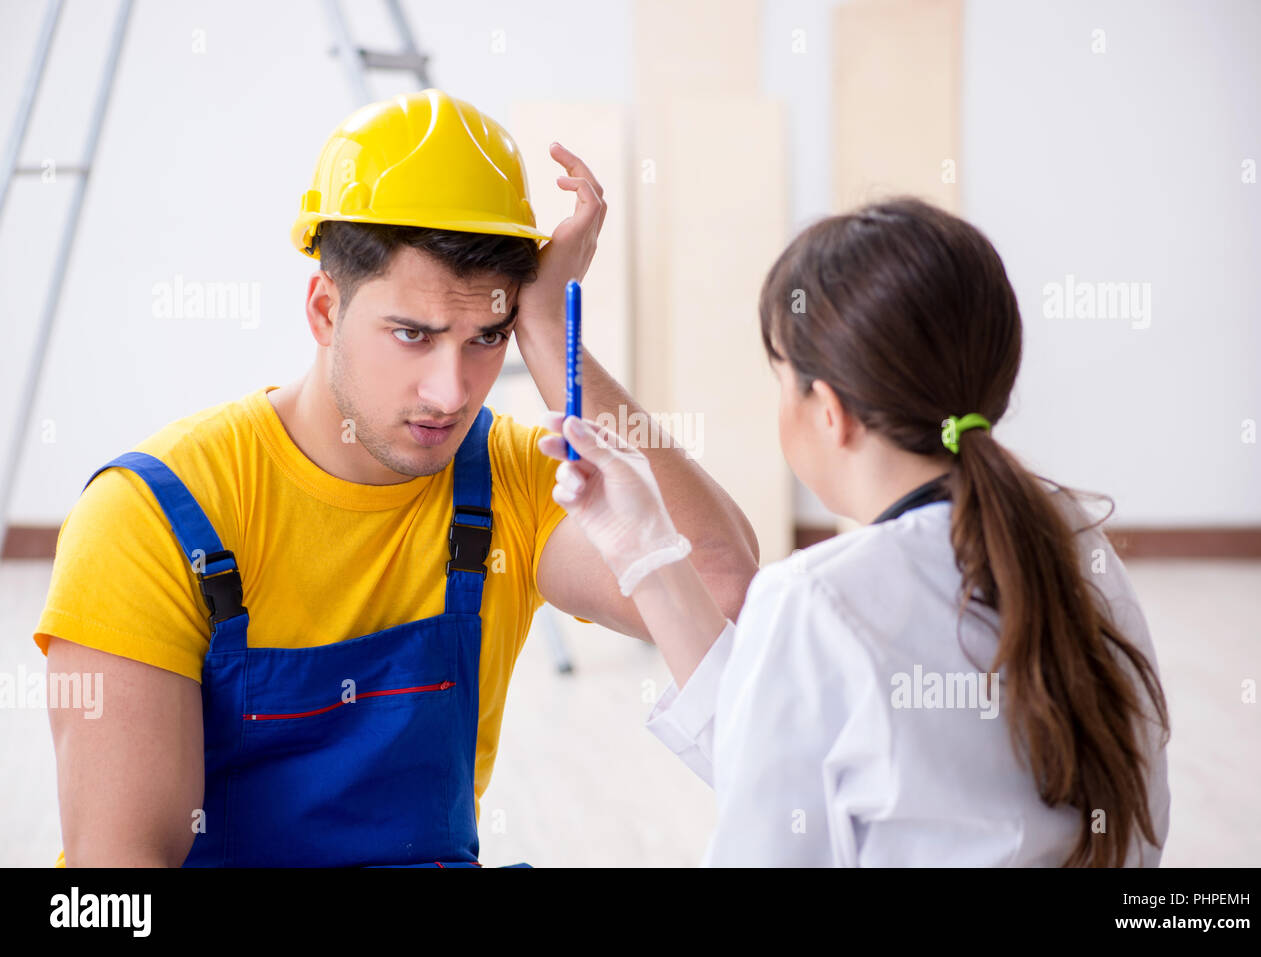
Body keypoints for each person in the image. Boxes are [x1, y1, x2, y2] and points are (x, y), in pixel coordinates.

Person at [35, 89, 758, 867]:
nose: (451, 392)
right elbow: (118, 888)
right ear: (323, 309)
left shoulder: (509, 478)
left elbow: (718, 591)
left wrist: (549, 329)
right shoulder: (153, 515)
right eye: (412, 334)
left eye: (487, 336)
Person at [538, 197, 1172, 867]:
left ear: (830, 412)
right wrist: (646, 548)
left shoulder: (818, 598)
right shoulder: (1070, 538)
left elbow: (771, 826)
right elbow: (800, 747)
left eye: (781, 376)